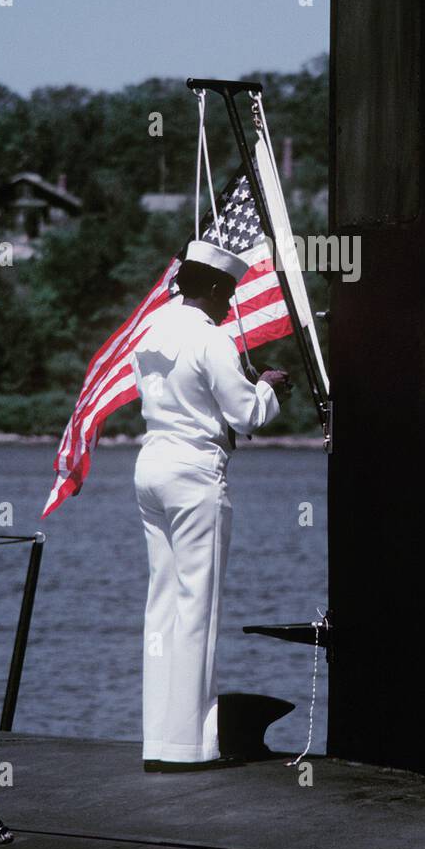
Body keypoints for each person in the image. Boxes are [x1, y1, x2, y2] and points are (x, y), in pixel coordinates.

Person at [130, 239, 290, 772]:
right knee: (197, 607)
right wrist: (267, 388)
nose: (230, 305)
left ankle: (159, 741)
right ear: (217, 287)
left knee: (162, 609)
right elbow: (245, 415)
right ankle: (187, 749)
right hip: (195, 473)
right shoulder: (210, 338)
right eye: (229, 294)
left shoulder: (150, 331)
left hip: (151, 465)